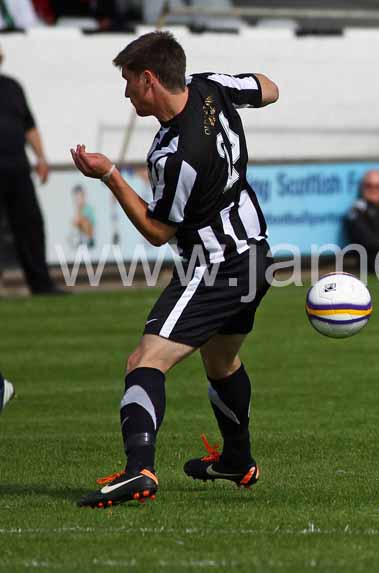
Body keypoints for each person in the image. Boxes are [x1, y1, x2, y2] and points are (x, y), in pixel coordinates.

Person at [70, 31, 280, 508]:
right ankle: (237, 460)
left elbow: (158, 231)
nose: (125, 93)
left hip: (215, 267)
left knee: (144, 362)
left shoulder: (176, 155)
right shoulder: (210, 88)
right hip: (256, 257)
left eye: (128, 83)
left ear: (149, 80)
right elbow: (268, 87)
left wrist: (109, 175)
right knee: (222, 362)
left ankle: (138, 470)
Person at [0, 43, 62, 295]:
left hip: (17, 168)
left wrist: (41, 158)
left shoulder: (13, 87)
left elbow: (29, 126)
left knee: (31, 225)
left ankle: (41, 284)